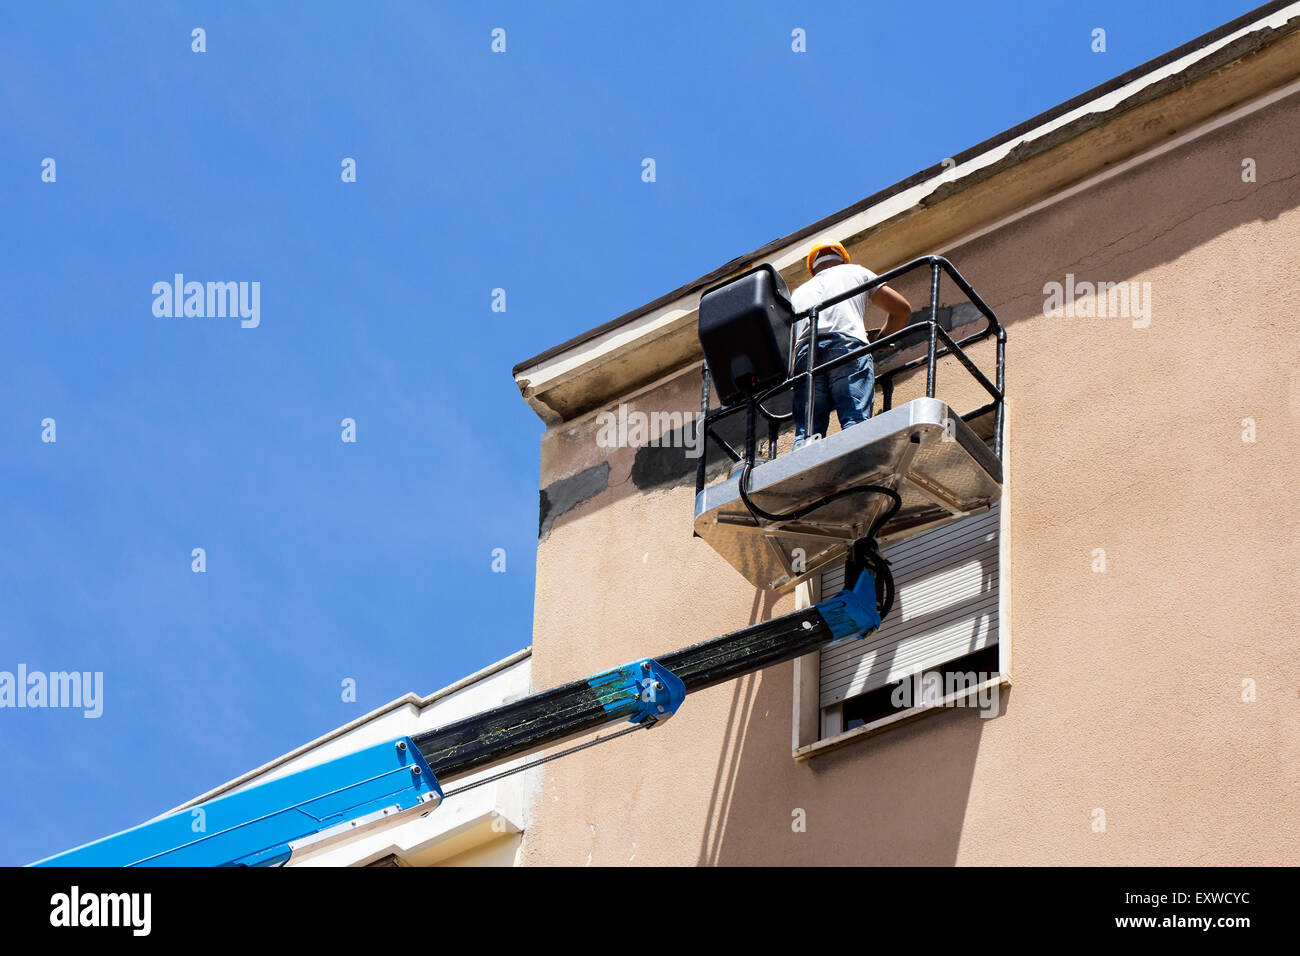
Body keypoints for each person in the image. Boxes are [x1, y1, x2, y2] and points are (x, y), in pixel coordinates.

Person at [789, 241, 913, 448]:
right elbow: (902, 310)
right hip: (845, 345)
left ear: (812, 268)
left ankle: (800, 473)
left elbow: (792, 342)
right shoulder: (854, 272)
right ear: (842, 258)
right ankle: (854, 466)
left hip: (805, 356)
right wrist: (881, 340)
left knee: (806, 434)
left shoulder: (798, 294)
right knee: (854, 421)